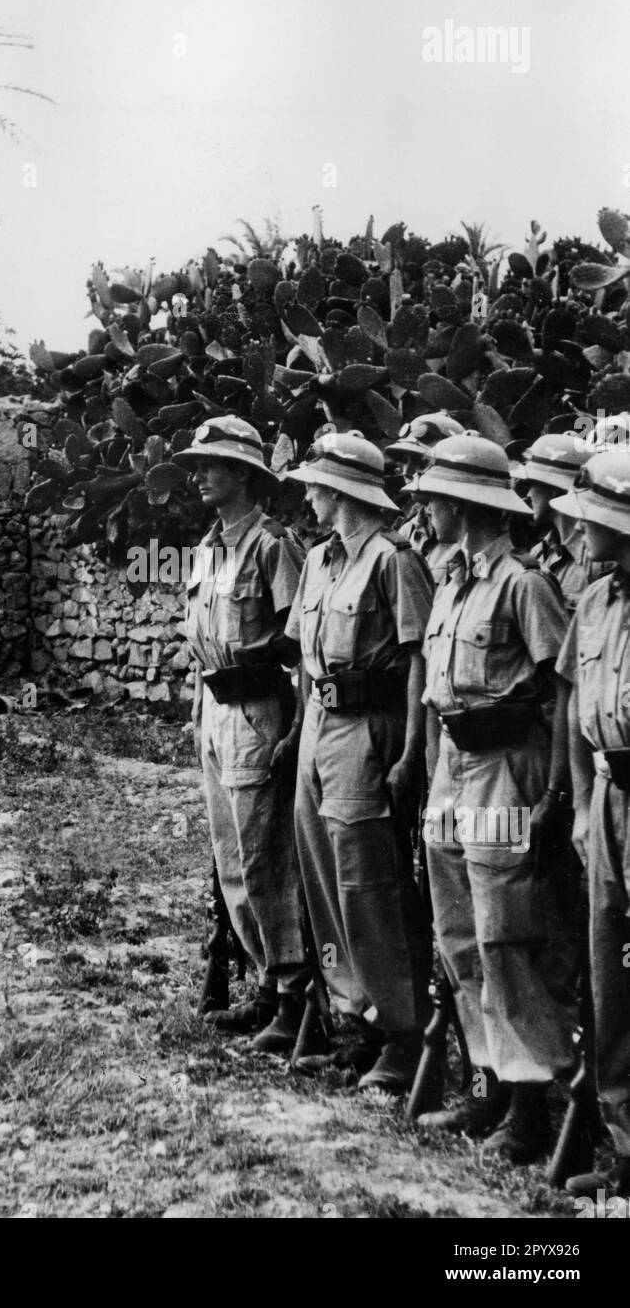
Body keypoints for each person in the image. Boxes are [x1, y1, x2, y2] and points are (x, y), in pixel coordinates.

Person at [410, 435, 576, 1161]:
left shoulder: (522, 584)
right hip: (454, 767)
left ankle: (533, 1102)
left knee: (505, 935)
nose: (426, 506)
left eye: (436, 496)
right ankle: (491, 1082)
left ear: (467, 504)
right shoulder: (450, 581)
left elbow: (558, 693)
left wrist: (555, 791)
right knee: (459, 934)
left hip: (507, 769)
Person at [284, 429, 434, 1093]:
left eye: (316, 482)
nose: (309, 492)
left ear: (344, 488)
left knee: (369, 883)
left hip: (370, 730)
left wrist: (409, 753)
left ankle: (402, 1031)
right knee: (321, 871)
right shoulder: (319, 561)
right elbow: (302, 660)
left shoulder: (392, 560)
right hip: (320, 727)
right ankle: (352, 1019)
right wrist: (297, 729)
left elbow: (417, 662)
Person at [177, 417, 310, 1052]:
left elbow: (302, 645)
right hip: (217, 711)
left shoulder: (271, 547)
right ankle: (263, 981)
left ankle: (291, 994)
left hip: (260, 710)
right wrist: (198, 711)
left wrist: (300, 726)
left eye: (213, 465)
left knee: (265, 861)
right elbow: (200, 642)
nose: (200, 474)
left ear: (245, 475)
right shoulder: (207, 549)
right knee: (231, 860)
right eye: (199, 464)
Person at [551, 450, 630, 1195]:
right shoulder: (594, 602)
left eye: (597, 521)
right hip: (607, 798)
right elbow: (578, 714)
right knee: (608, 971)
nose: (583, 534)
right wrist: (579, 803)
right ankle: (623, 1145)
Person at [521, 432, 604, 614]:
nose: (528, 494)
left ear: (553, 489)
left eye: (533, 484)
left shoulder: (599, 560)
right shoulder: (539, 554)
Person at [385, 412, 466, 586]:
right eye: (405, 461)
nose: (407, 472)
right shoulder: (407, 532)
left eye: (420, 461)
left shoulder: (467, 532)